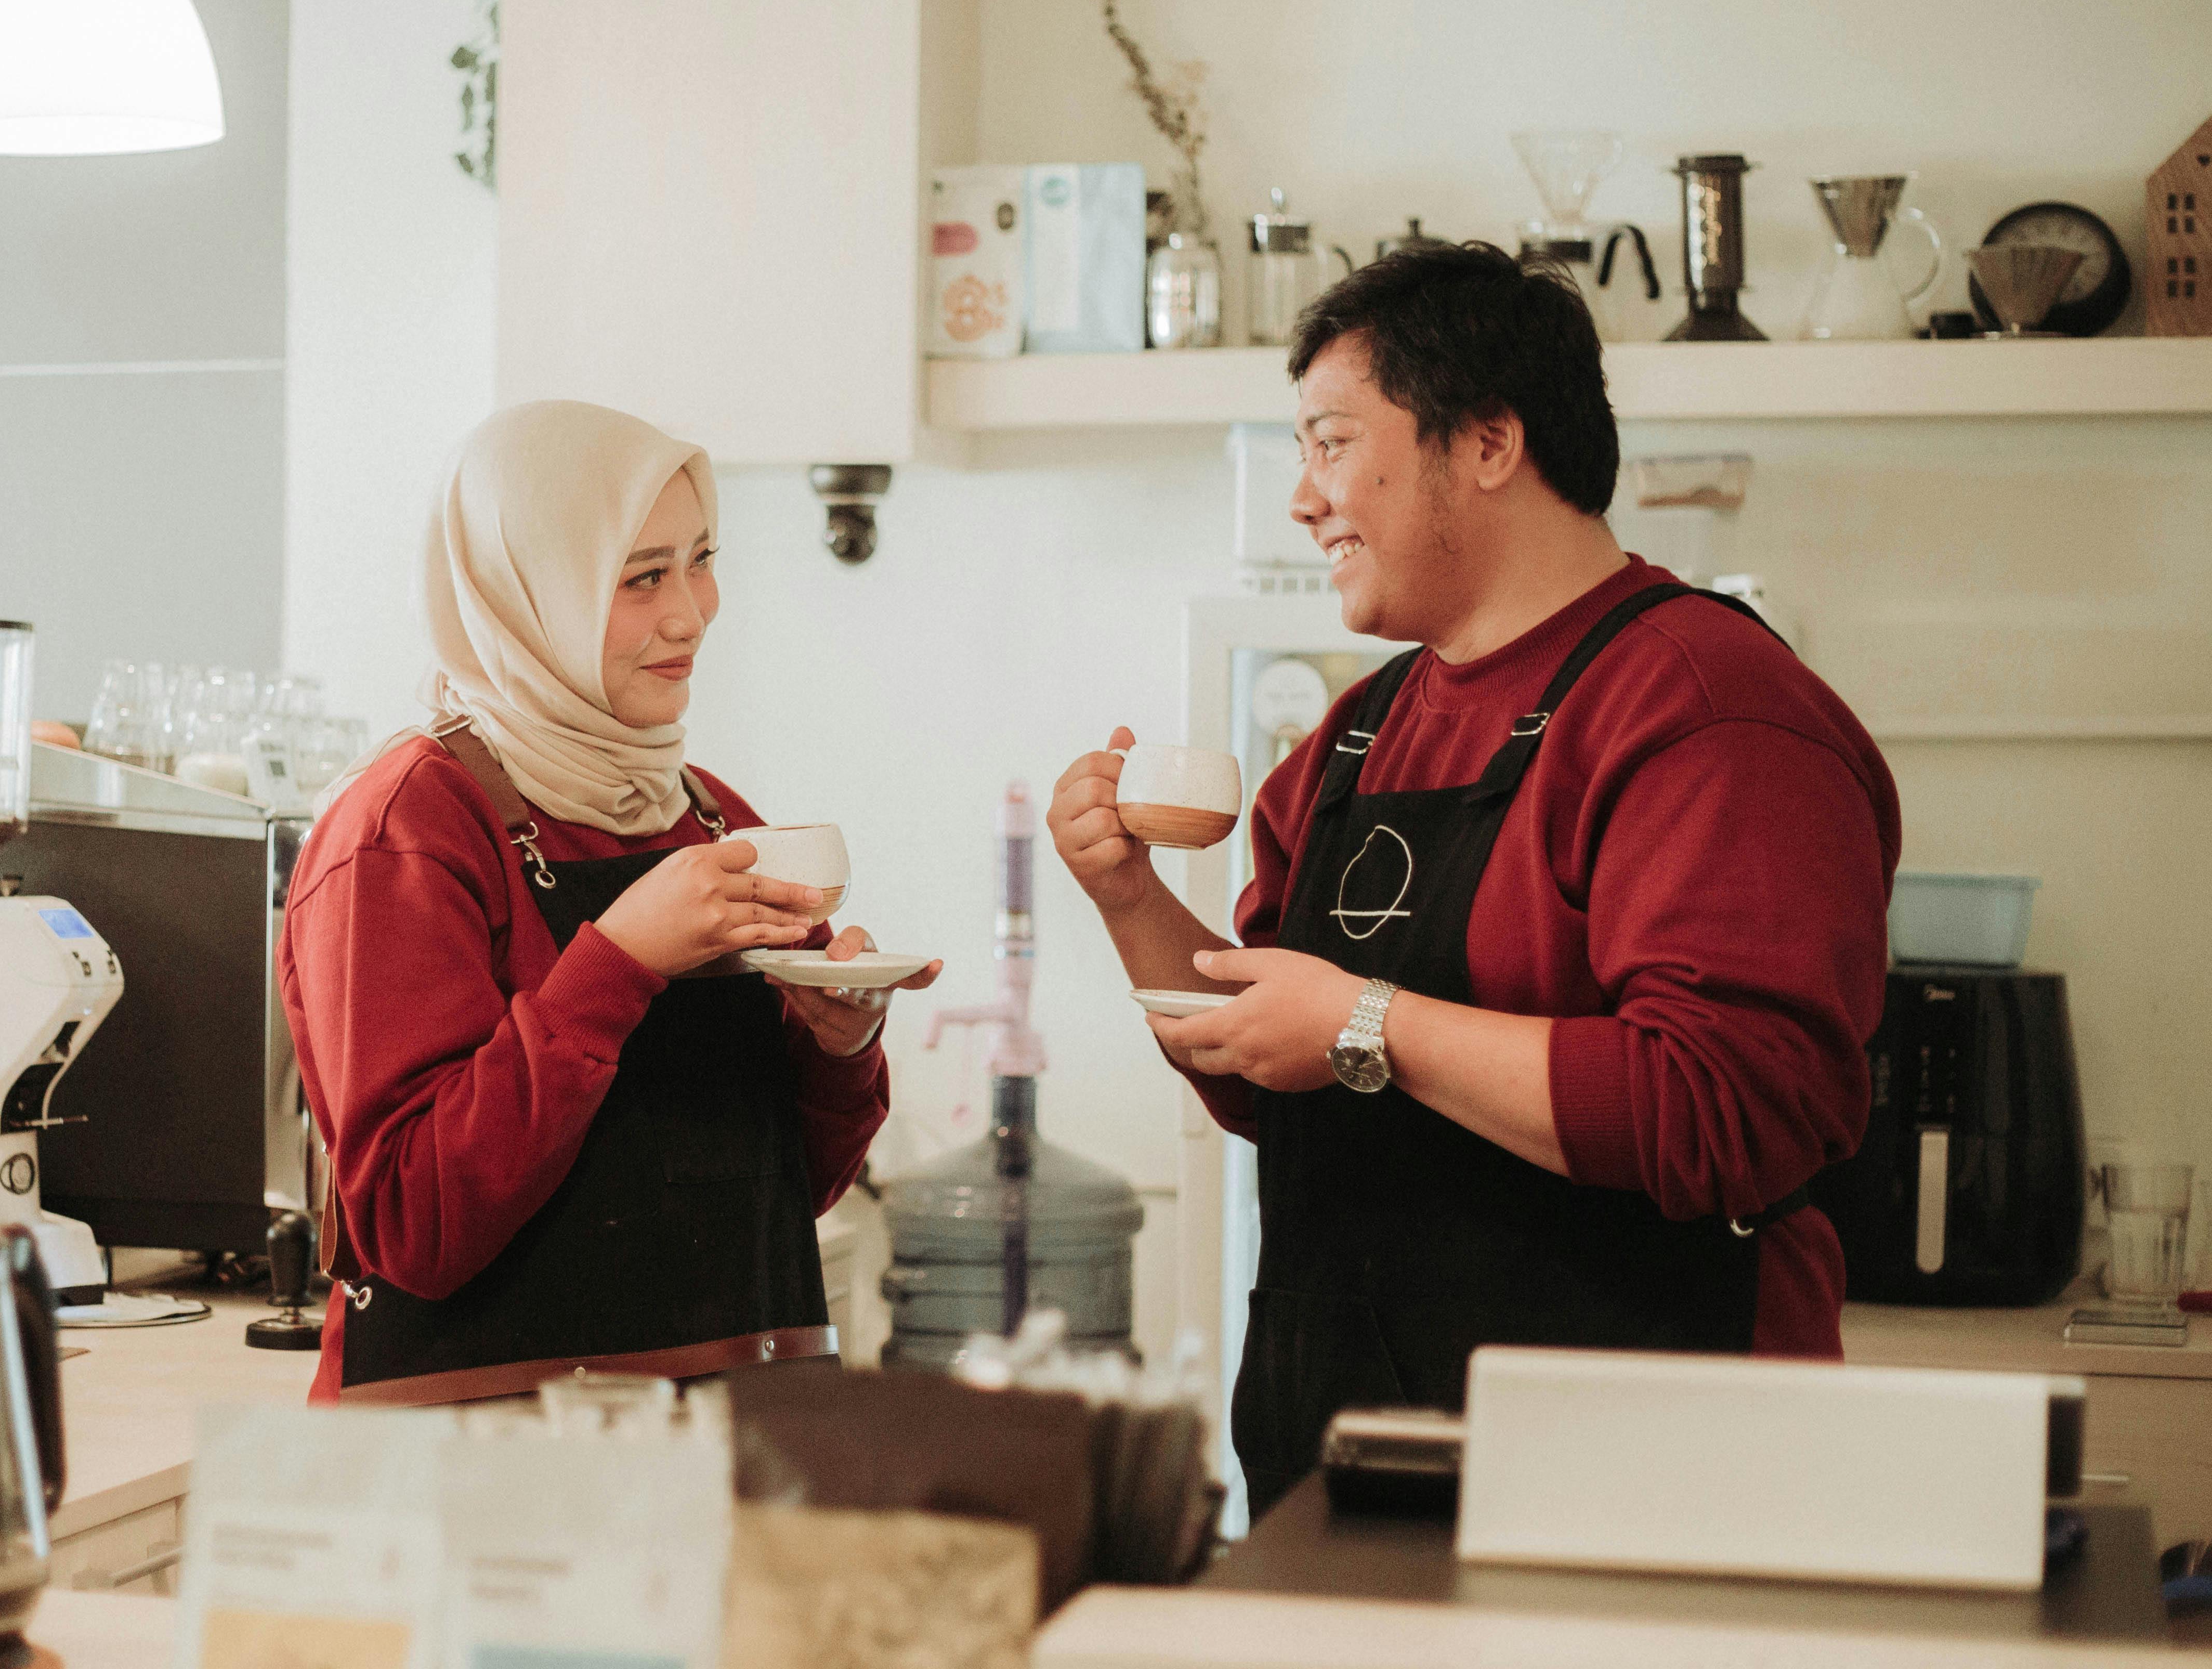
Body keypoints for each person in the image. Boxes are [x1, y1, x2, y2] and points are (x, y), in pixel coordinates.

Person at [1049, 244, 1899, 1516]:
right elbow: (1266, 1076)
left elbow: (1723, 1107)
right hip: (1341, 1464)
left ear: (1489, 442)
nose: (1302, 498)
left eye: (1331, 443)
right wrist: (1128, 897)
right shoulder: (1358, 729)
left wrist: (1364, 1022)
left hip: (1647, 1486)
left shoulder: (1707, 709)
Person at [280, 400, 940, 1404]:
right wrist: (617, 963)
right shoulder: (406, 832)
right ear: (527, 594)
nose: (692, 612)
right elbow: (415, 1223)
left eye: (702, 559)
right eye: (642, 579)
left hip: (734, 1435)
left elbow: (776, 1203)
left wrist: (837, 1046)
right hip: (495, 1468)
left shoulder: (714, 821)